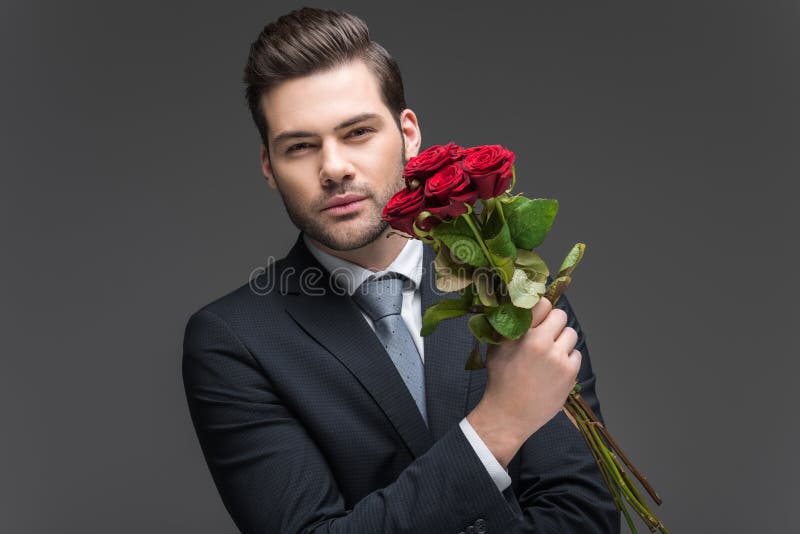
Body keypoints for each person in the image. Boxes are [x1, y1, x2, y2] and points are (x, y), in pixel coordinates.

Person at [182, 7, 620, 533]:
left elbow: (585, 521)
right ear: (268, 167)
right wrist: (495, 427)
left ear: (408, 133)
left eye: (358, 132)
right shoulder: (233, 341)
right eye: (300, 146)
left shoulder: (511, 287)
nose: (334, 167)